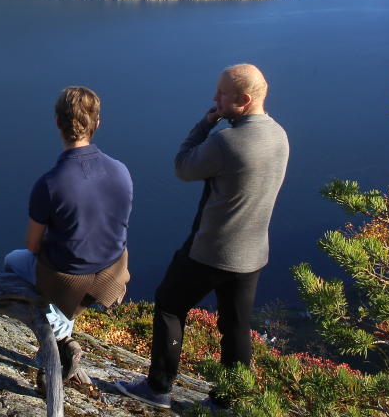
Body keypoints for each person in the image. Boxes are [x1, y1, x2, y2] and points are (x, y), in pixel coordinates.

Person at [116, 64, 289, 411]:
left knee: (169, 303)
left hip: (211, 249)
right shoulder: (279, 135)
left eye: (221, 94)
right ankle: (228, 401)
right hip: (253, 252)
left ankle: (158, 387)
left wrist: (206, 124)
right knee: (236, 328)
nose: (214, 98)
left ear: (243, 99)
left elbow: (183, 166)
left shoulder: (226, 142)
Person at [5, 86, 133, 382]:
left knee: (13, 261)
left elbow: (32, 245)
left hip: (69, 279)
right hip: (112, 273)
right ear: (97, 123)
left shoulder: (50, 184)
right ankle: (63, 332)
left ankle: (59, 339)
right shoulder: (121, 171)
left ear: (58, 123)